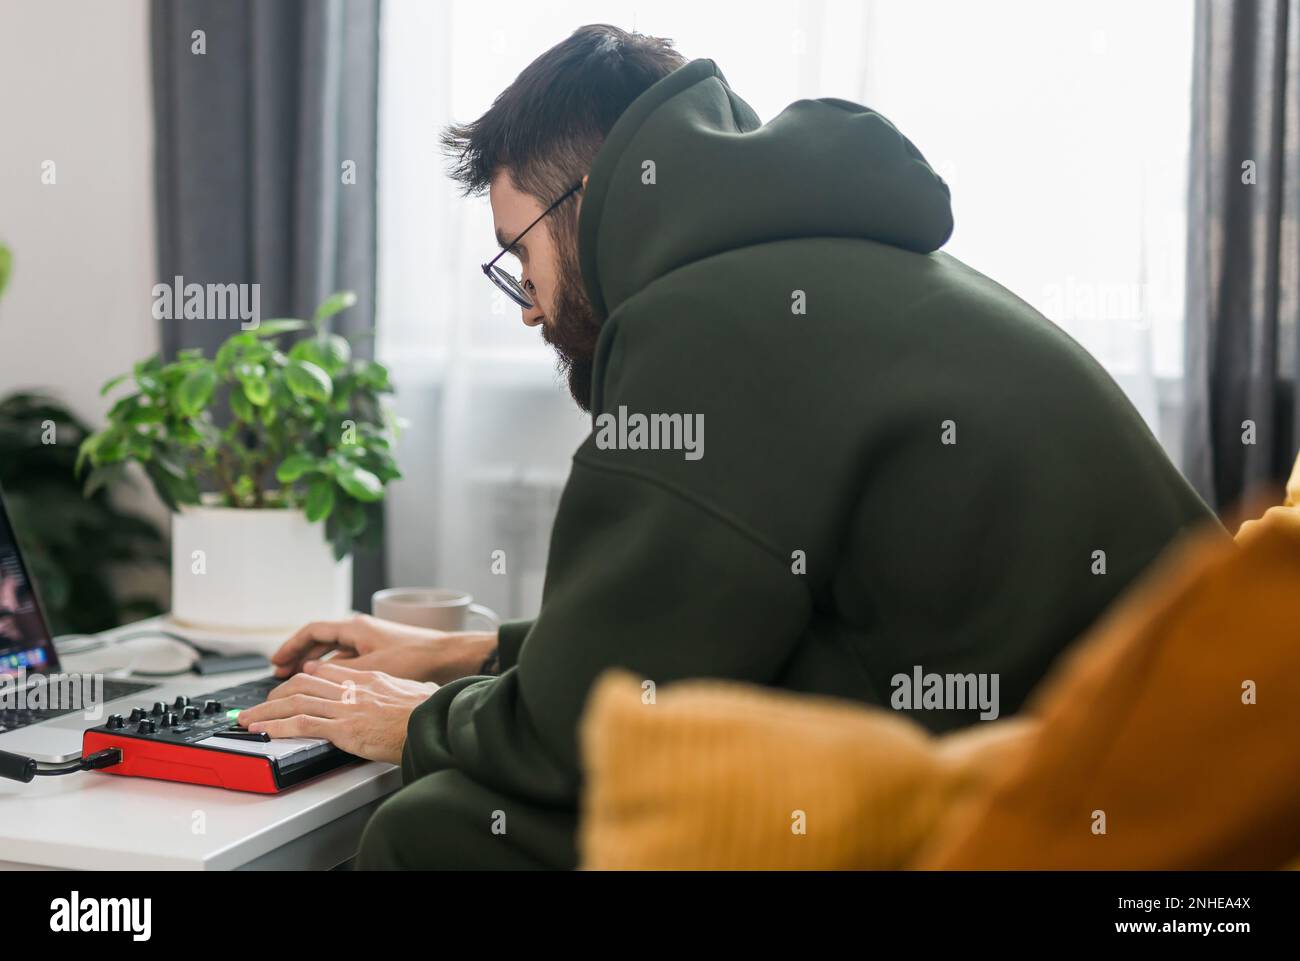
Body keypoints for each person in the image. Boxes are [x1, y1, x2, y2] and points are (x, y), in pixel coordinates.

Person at [234, 24, 1219, 869]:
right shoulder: (815, 264)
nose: (529, 307)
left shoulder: (708, 322)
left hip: (1073, 792)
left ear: (582, 199)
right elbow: (720, 628)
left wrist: (409, 718)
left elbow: (576, 734)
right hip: (1152, 743)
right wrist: (474, 652)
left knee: (436, 827)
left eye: (517, 257)